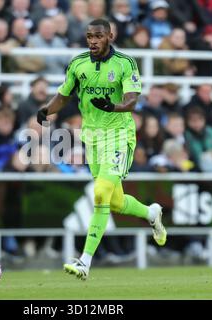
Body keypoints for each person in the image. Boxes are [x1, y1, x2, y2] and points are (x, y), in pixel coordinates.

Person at [36, 19, 166, 280]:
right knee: (115, 202)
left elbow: (132, 100)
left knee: (101, 192)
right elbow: (64, 94)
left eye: (98, 36)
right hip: (92, 139)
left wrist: (113, 106)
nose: (92, 41)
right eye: (89, 36)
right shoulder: (78, 63)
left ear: (110, 36)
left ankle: (84, 261)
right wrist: (46, 110)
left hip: (119, 135)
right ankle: (151, 212)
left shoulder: (125, 63)